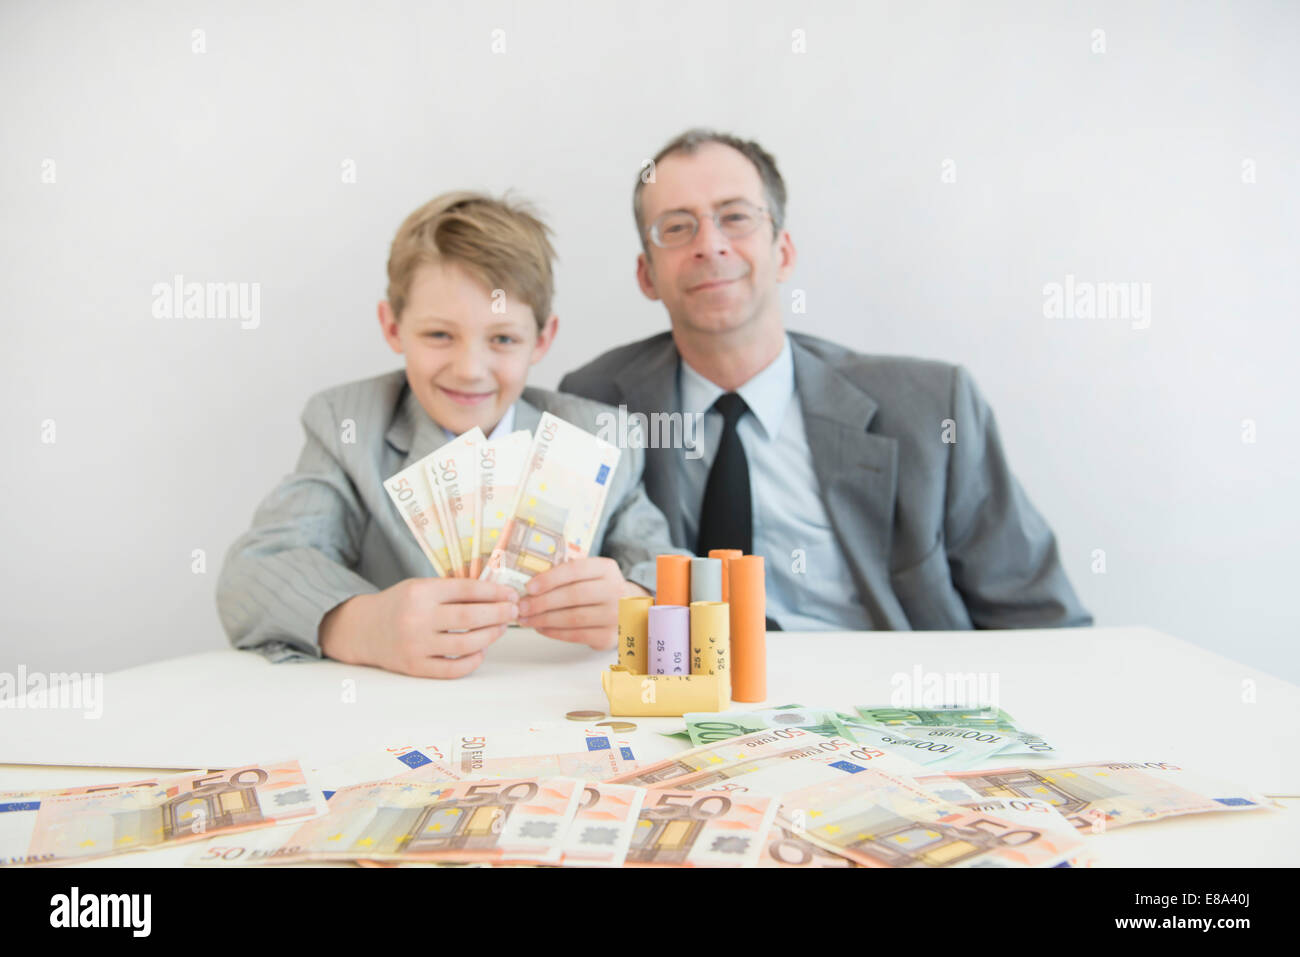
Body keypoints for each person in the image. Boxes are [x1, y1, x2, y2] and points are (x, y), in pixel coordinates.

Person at [560, 129, 1091, 631]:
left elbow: (1041, 621)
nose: (710, 245)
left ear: (783, 253)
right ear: (647, 275)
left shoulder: (933, 409)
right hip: (691, 698)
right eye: (676, 227)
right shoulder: (595, 404)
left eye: (735, 217)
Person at [217, 191, 683, 677]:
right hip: (402, 716)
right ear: (393, 326)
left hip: (551, 705)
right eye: (439, 335)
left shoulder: (599, 438)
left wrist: (636, 604)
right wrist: (363, 624)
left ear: (541, 340)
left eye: (503, 339)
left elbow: (672, 572)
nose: (469, 370)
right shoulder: (348, 426)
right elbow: (254, 574)